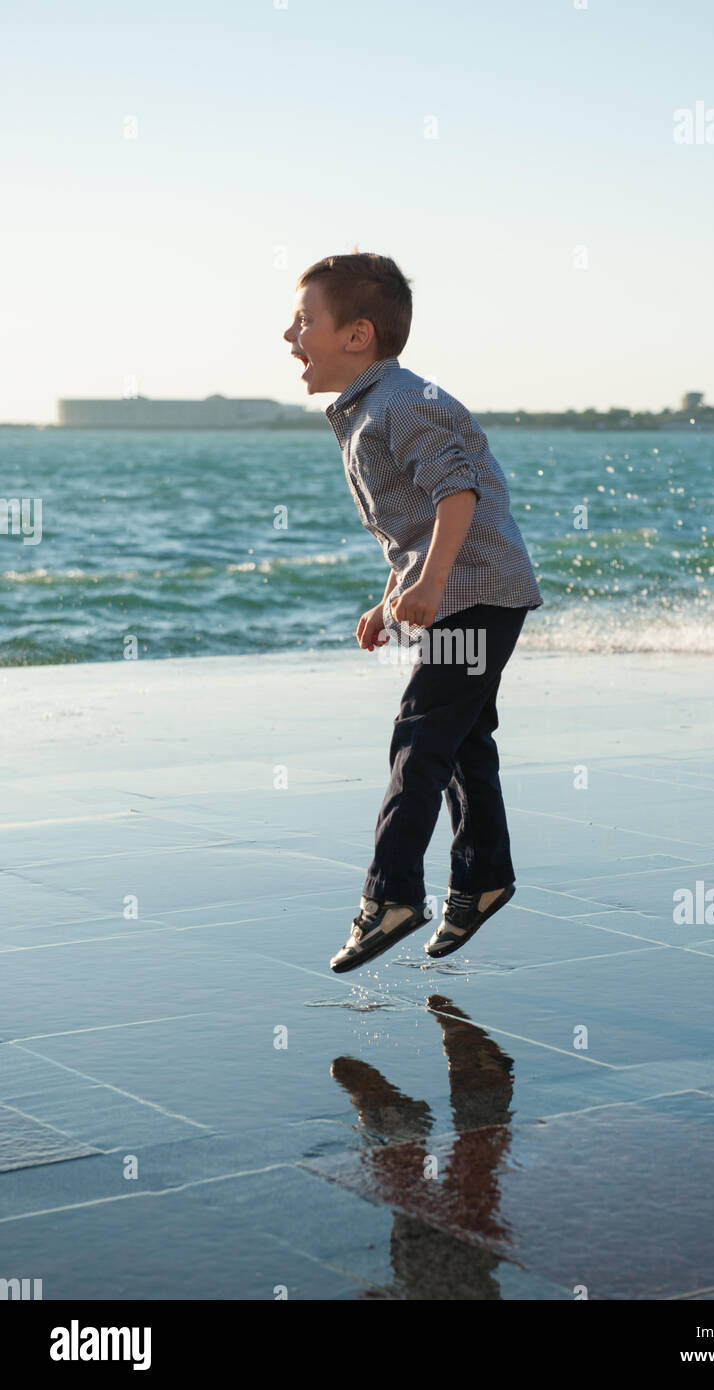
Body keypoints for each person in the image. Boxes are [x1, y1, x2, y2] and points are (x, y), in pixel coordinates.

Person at [283, 252, 542, 973]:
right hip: (466, 591)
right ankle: (484, 877)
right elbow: (420, 520)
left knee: (420, 736)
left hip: (479, 594)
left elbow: (457, 495)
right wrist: (394, 593)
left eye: (305, 321)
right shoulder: (374, 405)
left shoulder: (401, 402)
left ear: (357, 334)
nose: (288, 335)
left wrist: (426, 587)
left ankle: (391, 895)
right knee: (461, 741)